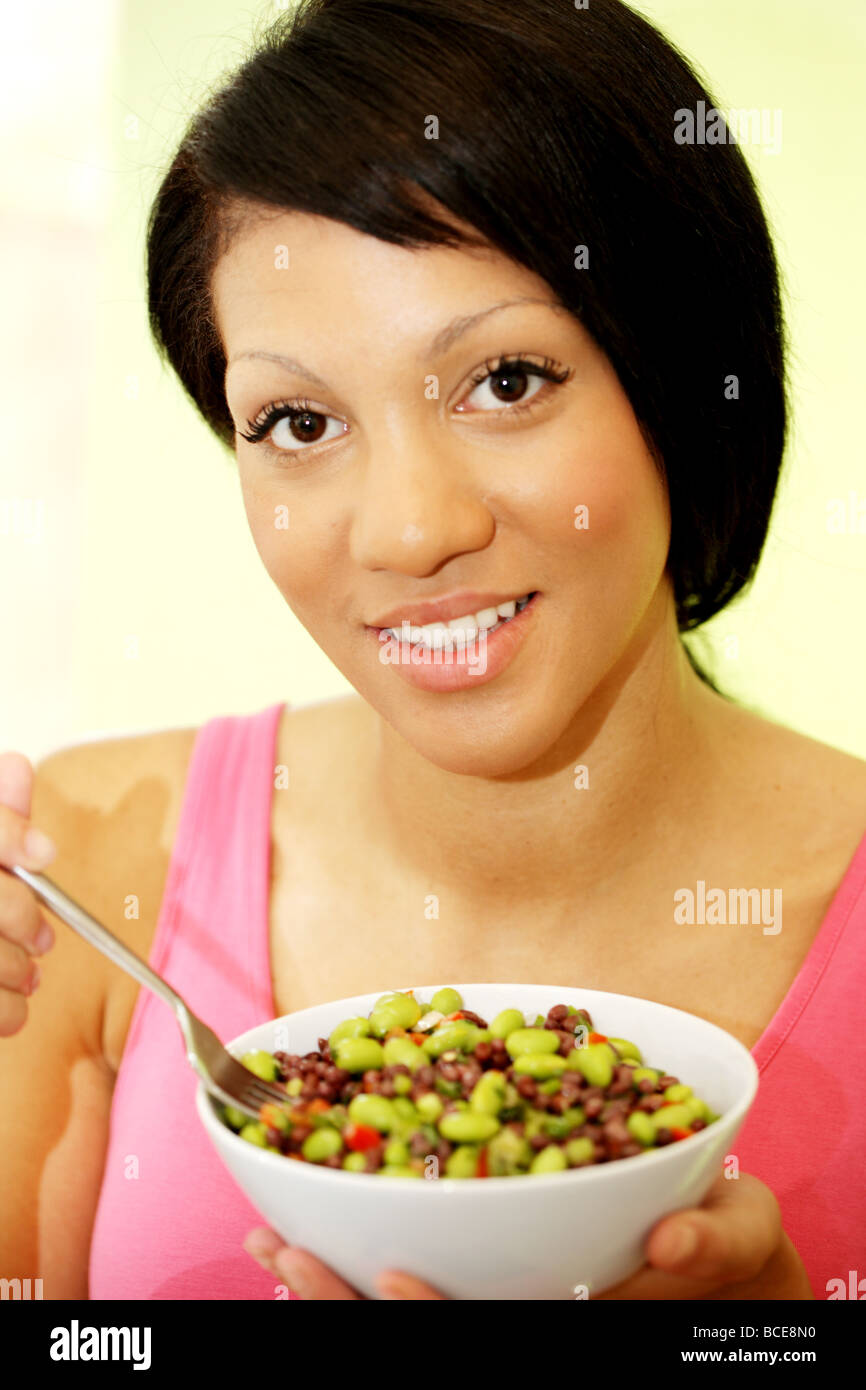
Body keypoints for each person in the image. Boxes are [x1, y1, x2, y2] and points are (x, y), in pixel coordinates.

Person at [1, 0, 863, 1301]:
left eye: (505, 381)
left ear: (677, 379)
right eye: (295, 419)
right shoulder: (86, 863)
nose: (408, 531)